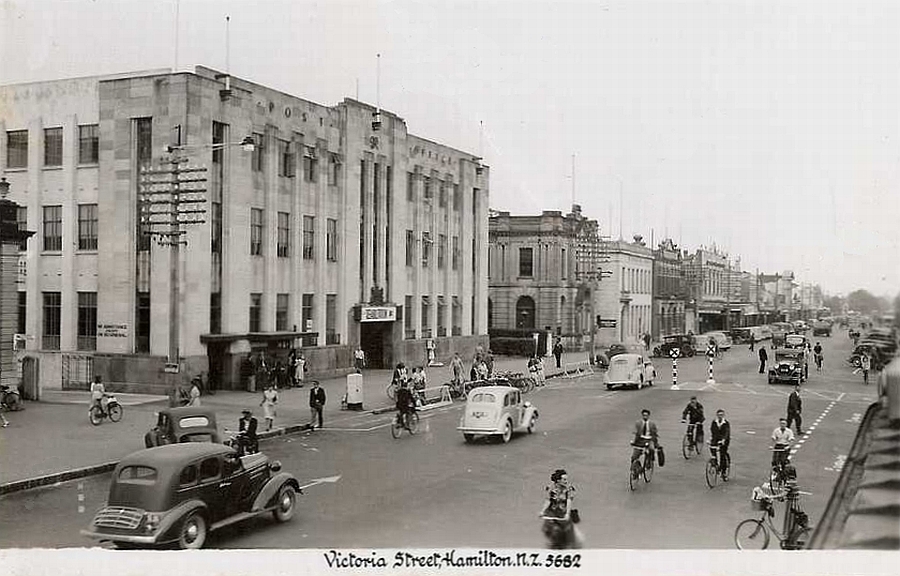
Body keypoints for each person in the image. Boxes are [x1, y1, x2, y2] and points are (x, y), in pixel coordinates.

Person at [539, 469, 583, 549]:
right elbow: (548, 500)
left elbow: (568, 501)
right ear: (558, 480)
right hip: (552, 512)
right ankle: (553, 543)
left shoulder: (568, 489)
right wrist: (543, 511)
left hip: (563, 512)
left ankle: (571, 544)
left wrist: (567, 513)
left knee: (568, 529)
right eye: (564, 479)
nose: (566, 481)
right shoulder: (551, 488)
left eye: (566, 479)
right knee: (551, 529)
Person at [709, 409, 731, 480]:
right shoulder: (714, 422)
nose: (720, 416)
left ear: (723, 415)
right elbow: (712, 430)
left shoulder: (726, 423)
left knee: (722, 454)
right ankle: (714, 462)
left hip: (724, 440)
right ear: (717, 415)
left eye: (722, 415)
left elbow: (727, 432)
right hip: (716, 439)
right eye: (719, 415)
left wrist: (723, 439)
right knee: (712, 448)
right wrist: (711, 439)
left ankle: (723, 472)